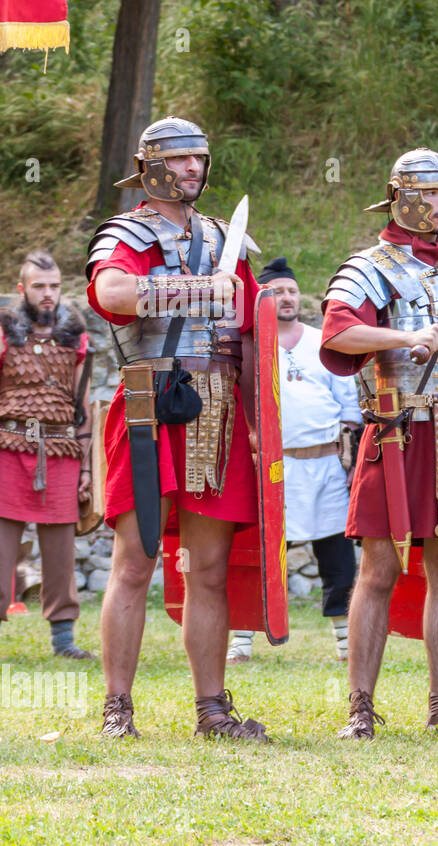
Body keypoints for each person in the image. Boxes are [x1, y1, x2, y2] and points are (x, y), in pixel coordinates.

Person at [85, 116, 269, 740]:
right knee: (135, 562)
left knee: (208, 570)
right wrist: (195, 288)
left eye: (201, 158)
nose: (195, 169)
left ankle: (212, 711)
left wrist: (256, 421)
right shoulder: (128, 231)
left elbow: (246, 332)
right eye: (182, 159)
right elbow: (112, 292)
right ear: (152, 165)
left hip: (217, 407)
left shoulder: (224, 238)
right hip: (150, 403)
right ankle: (118, 710)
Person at [320, 148, 438, 739]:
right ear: (399, 196)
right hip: (397, 431)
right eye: (430, 193)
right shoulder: (369, 266)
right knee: (379, 567)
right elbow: (340, 330)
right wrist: (405, 334)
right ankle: (360, 708)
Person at [227, 257, 362, 664]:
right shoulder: (250, 347)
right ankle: (242, 641)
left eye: (291, 290)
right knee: (258, 554)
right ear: (263, 299)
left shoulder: (325, 343)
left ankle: (345, 642)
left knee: (336, 556)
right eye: (276, 292)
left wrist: (352, 463)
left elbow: (350, 411)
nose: (286, 298)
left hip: (323, 466)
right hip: (270, 469)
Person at [0, 251, 94, 660]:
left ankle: (64, 642)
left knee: (61, 553)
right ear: (22, 289)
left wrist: (87, 467)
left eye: (53, 287)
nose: (47, 295)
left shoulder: (77, 339)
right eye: (38, 287)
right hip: (8, 450)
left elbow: (82, 407)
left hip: (62, 451)